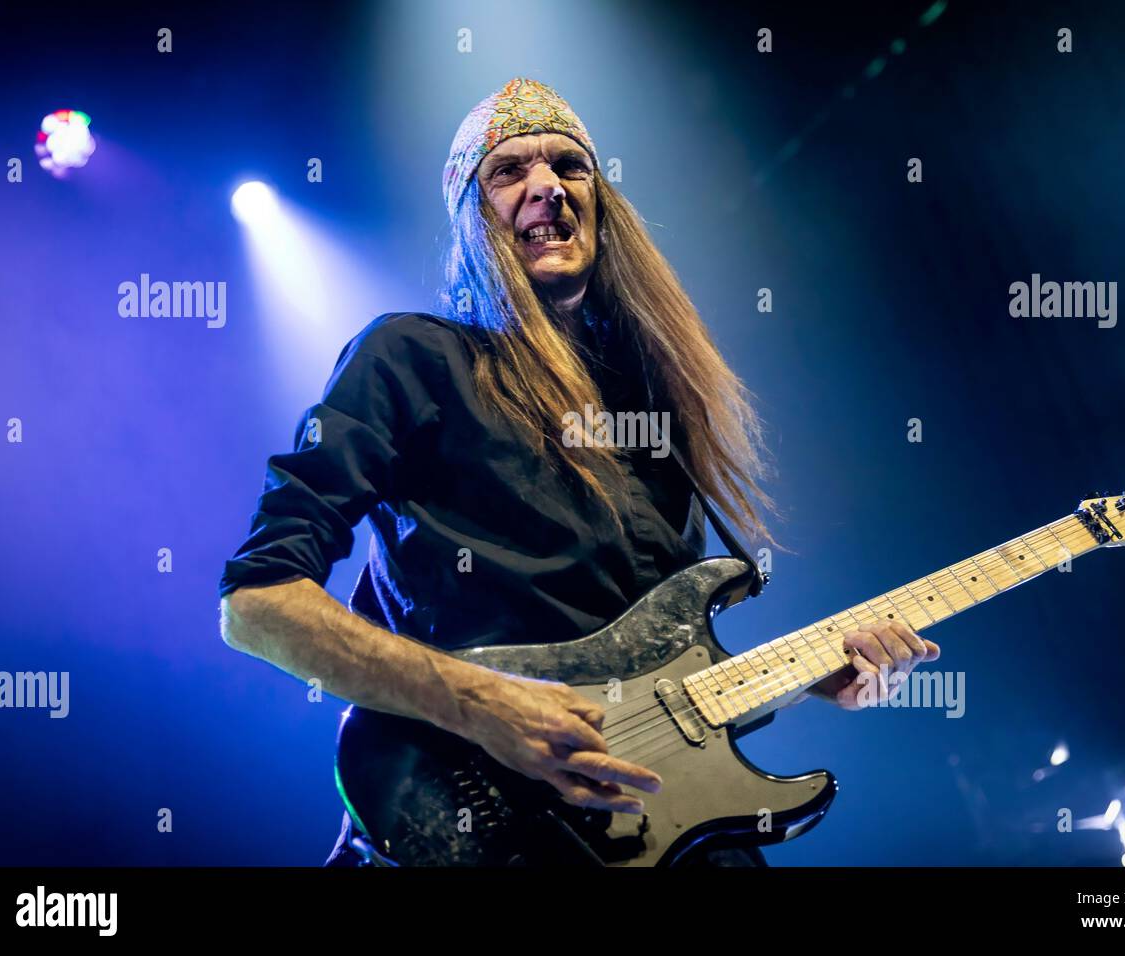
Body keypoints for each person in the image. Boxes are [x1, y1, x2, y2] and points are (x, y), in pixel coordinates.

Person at [217, 77, 940, 866]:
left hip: (661, 830)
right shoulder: (412, 357)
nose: (546, 188)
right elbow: (258, 605)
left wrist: (813, 676)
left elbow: (656, 678)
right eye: (508, 172)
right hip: (478, 826)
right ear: (471, 217)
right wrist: (482, 704)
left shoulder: (652, 400)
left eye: (570, 166)